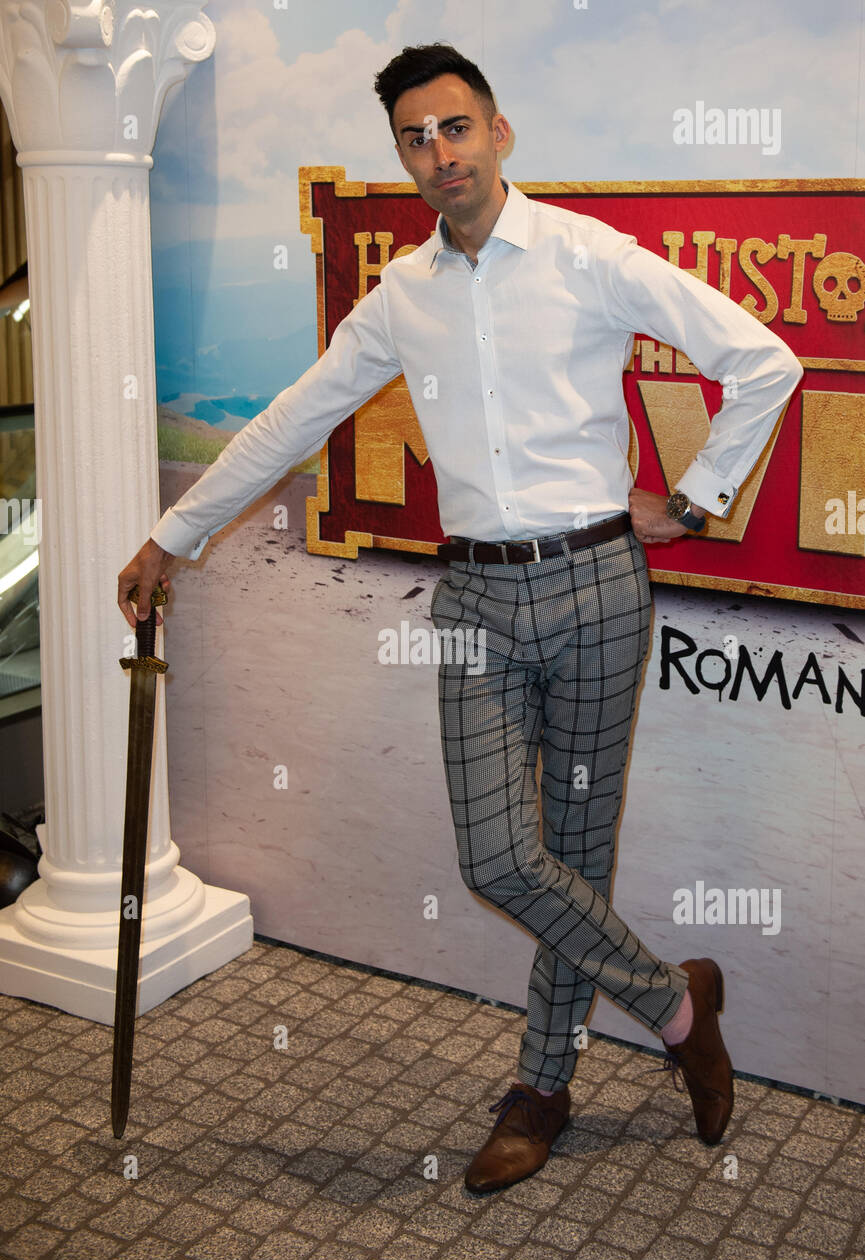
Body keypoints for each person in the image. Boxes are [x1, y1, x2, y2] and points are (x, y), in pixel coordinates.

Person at [118, 43, 803, 1197]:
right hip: (477, 598)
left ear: (499, 132)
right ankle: (680, 1004)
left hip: (595, 587)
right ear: (402, 154)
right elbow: (292, 419)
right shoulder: (402, 296)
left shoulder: (588, 255)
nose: (438, 154)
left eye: (455, 128)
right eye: (415, 138)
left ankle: (541, 1085)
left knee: (572, 858)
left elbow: (762, 359)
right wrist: (171, 535)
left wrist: (693, 501)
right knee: (498, 855)